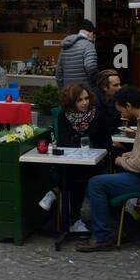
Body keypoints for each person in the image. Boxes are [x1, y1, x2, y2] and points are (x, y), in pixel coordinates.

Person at [77, 88, 140, 252]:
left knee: (95, 184)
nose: (120, 113)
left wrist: (120, 160)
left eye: (120, 109)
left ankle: (101, 238)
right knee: (93, 185)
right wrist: (131, 155)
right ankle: (128, 224)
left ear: (128, 106)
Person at [51, 83, 114, 234]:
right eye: (80, 100)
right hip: (74, 160)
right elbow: (64, 141)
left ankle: (55, 191)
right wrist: (82, 142)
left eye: (86, 98)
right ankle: (73, 219)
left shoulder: (97, 114)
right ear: (72, 102)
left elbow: (104, 139)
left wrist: (82, 141)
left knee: (77, 174)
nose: (85, 102)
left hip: (96, 160)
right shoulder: (63, 115)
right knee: (75, 172)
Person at [55, 19, 99, 91]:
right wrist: (93, 85)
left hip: (69, 92)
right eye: (94, 35)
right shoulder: (88, 45)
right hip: (84, 92)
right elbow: (91, 67)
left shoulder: (65, 47)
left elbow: (58, 74)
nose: (93, 38)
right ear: (90, 33)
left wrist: (63, 90)